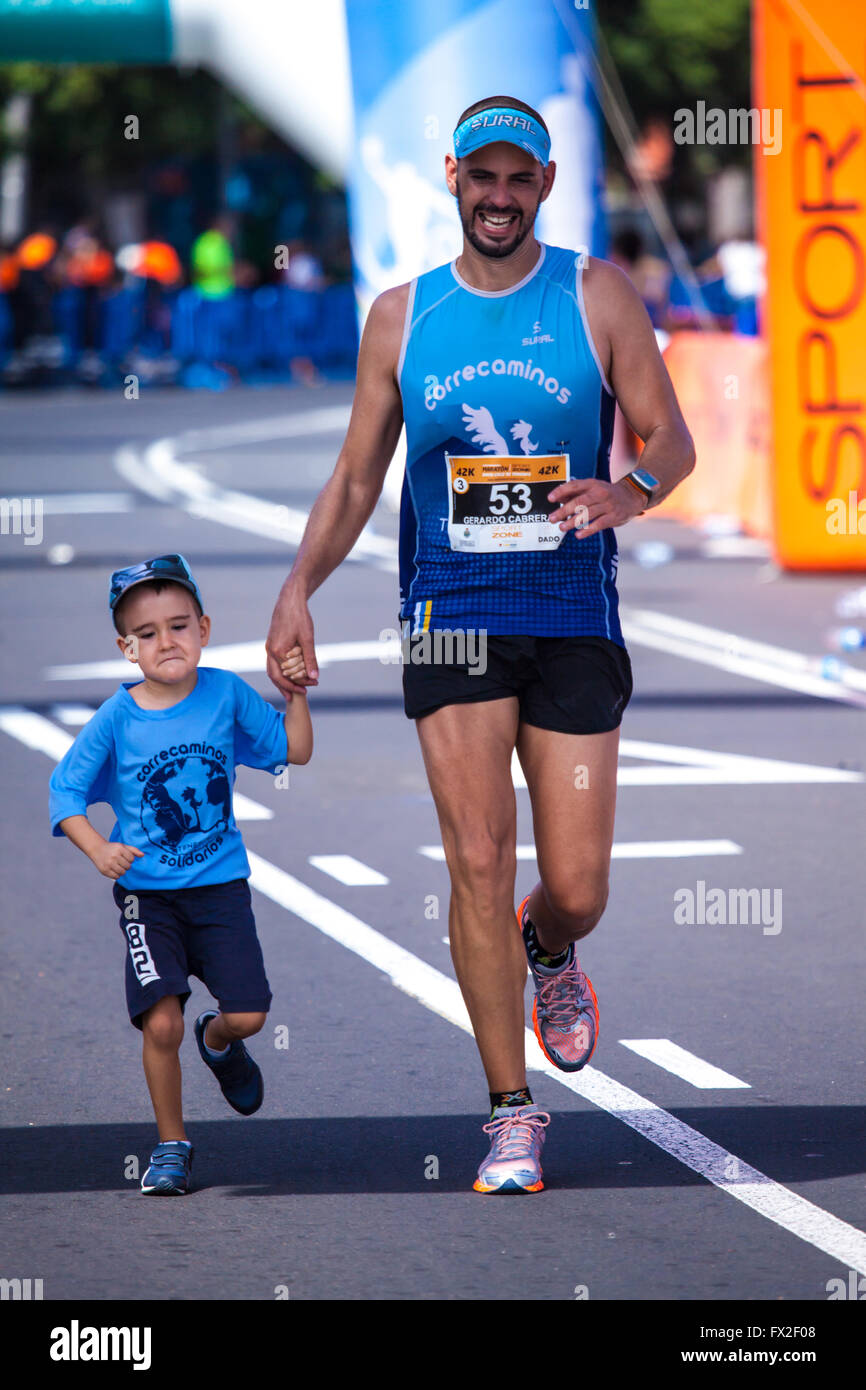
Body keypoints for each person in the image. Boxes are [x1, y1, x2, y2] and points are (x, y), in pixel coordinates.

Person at [265, 95, 695, 1193]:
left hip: (570, 616)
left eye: (519, 178)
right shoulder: (401, 316)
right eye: (481, 176)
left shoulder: (595, 294)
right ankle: (510, 1111)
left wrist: (628, 489)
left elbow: (670, 437)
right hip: (451, 616)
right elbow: (359, 476)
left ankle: (545, 943)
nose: (497, 196)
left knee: (579, 882)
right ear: (451, 178)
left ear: (543, 185)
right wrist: (297, 586)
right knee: (471, 856)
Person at [49, 555, 313, 1194]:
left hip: (221, 890)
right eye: (147, 633)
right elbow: (65, 792)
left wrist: (295, 692)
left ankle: (218, 1043)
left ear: (204, 627)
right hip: (147, 896)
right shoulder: (119, 717)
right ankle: (171, 1145)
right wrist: (95, 849)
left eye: (179, 625)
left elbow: (292, 749)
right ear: (126, 648)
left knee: (249, 1013)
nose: (166, 642)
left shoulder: (225, 693)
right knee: (159, 1022)